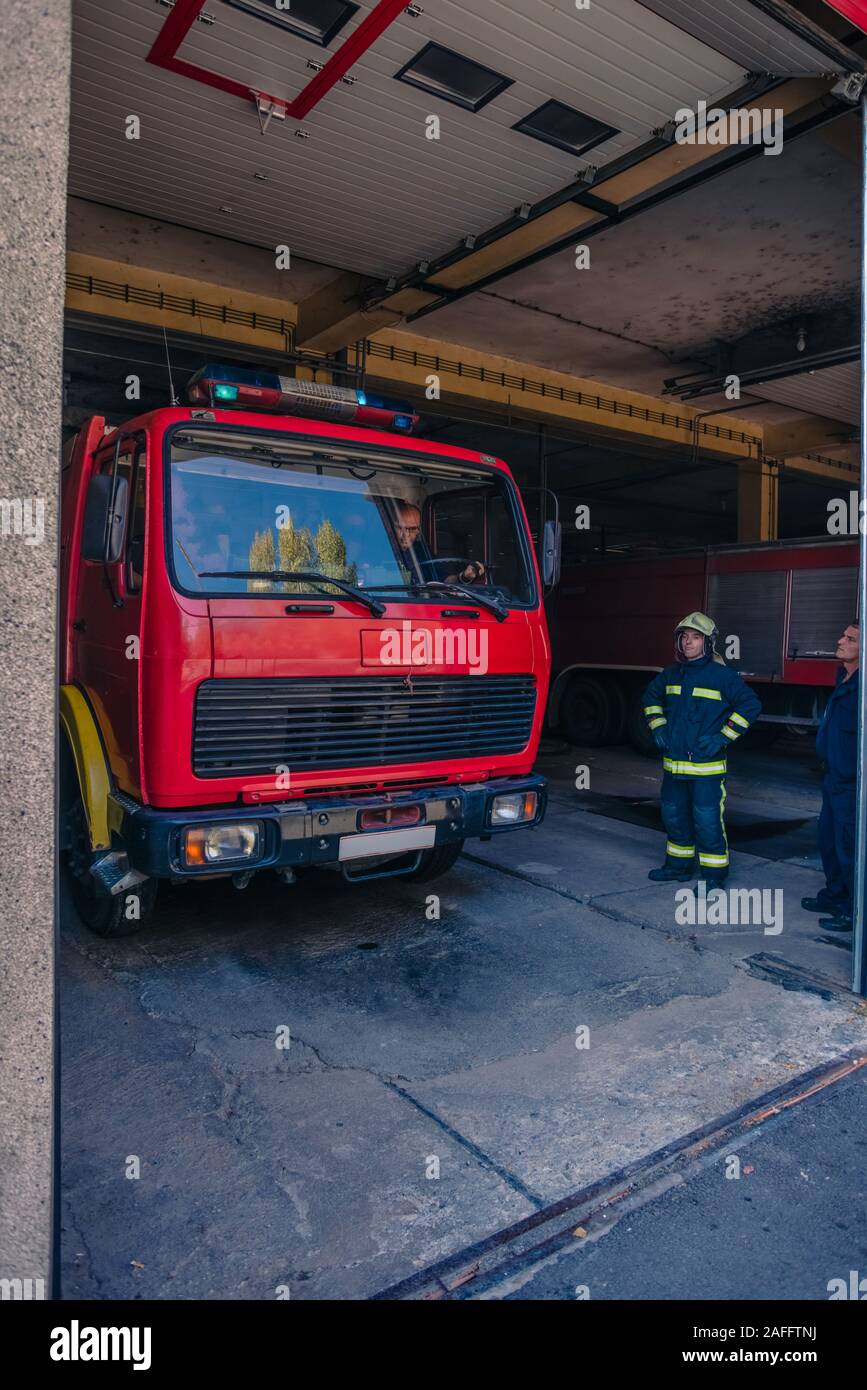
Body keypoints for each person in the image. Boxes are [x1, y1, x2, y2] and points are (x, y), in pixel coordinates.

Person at [642, 612, 761, 887]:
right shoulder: (671, 674)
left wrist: (723, 737)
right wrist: (658, 726)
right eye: (684, 637)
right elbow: (650, 698)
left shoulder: (723, 676)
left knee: (707, 822)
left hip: (707, 770)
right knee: (674, 817)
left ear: (708, 643)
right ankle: (677, 868)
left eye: (695, 638)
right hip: (674, 768)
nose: (688, 643)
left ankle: (714, 878)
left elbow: (751, 706)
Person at [801, 620, 860, 935]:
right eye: (844, 635)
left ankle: (854, 912)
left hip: (851, 783)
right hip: (833, 778)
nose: (841, 640)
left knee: (849, 848)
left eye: (850, 638)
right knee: (827, 841)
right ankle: (835, 895)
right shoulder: (844, 676)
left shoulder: (863, 687)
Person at [391, 500, 487, 586]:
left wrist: (464, 576)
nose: (406, 535)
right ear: (389, 527)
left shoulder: (422, 551)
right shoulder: (381, 549)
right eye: (400, 528)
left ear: (418, 530)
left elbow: (442, 581)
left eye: (412, 529)